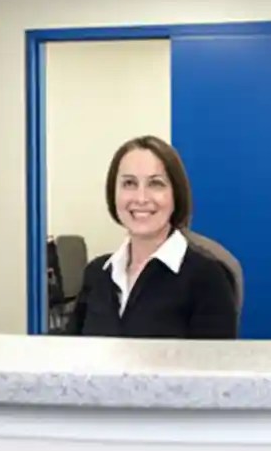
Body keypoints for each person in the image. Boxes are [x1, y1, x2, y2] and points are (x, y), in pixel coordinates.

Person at [67, 135, 238, 339]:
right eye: (129, 183)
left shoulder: (208, 277)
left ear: (176, 195)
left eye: (156, 184)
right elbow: (69, 358)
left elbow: (214, 366)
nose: (141, 198)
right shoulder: (97, 274)